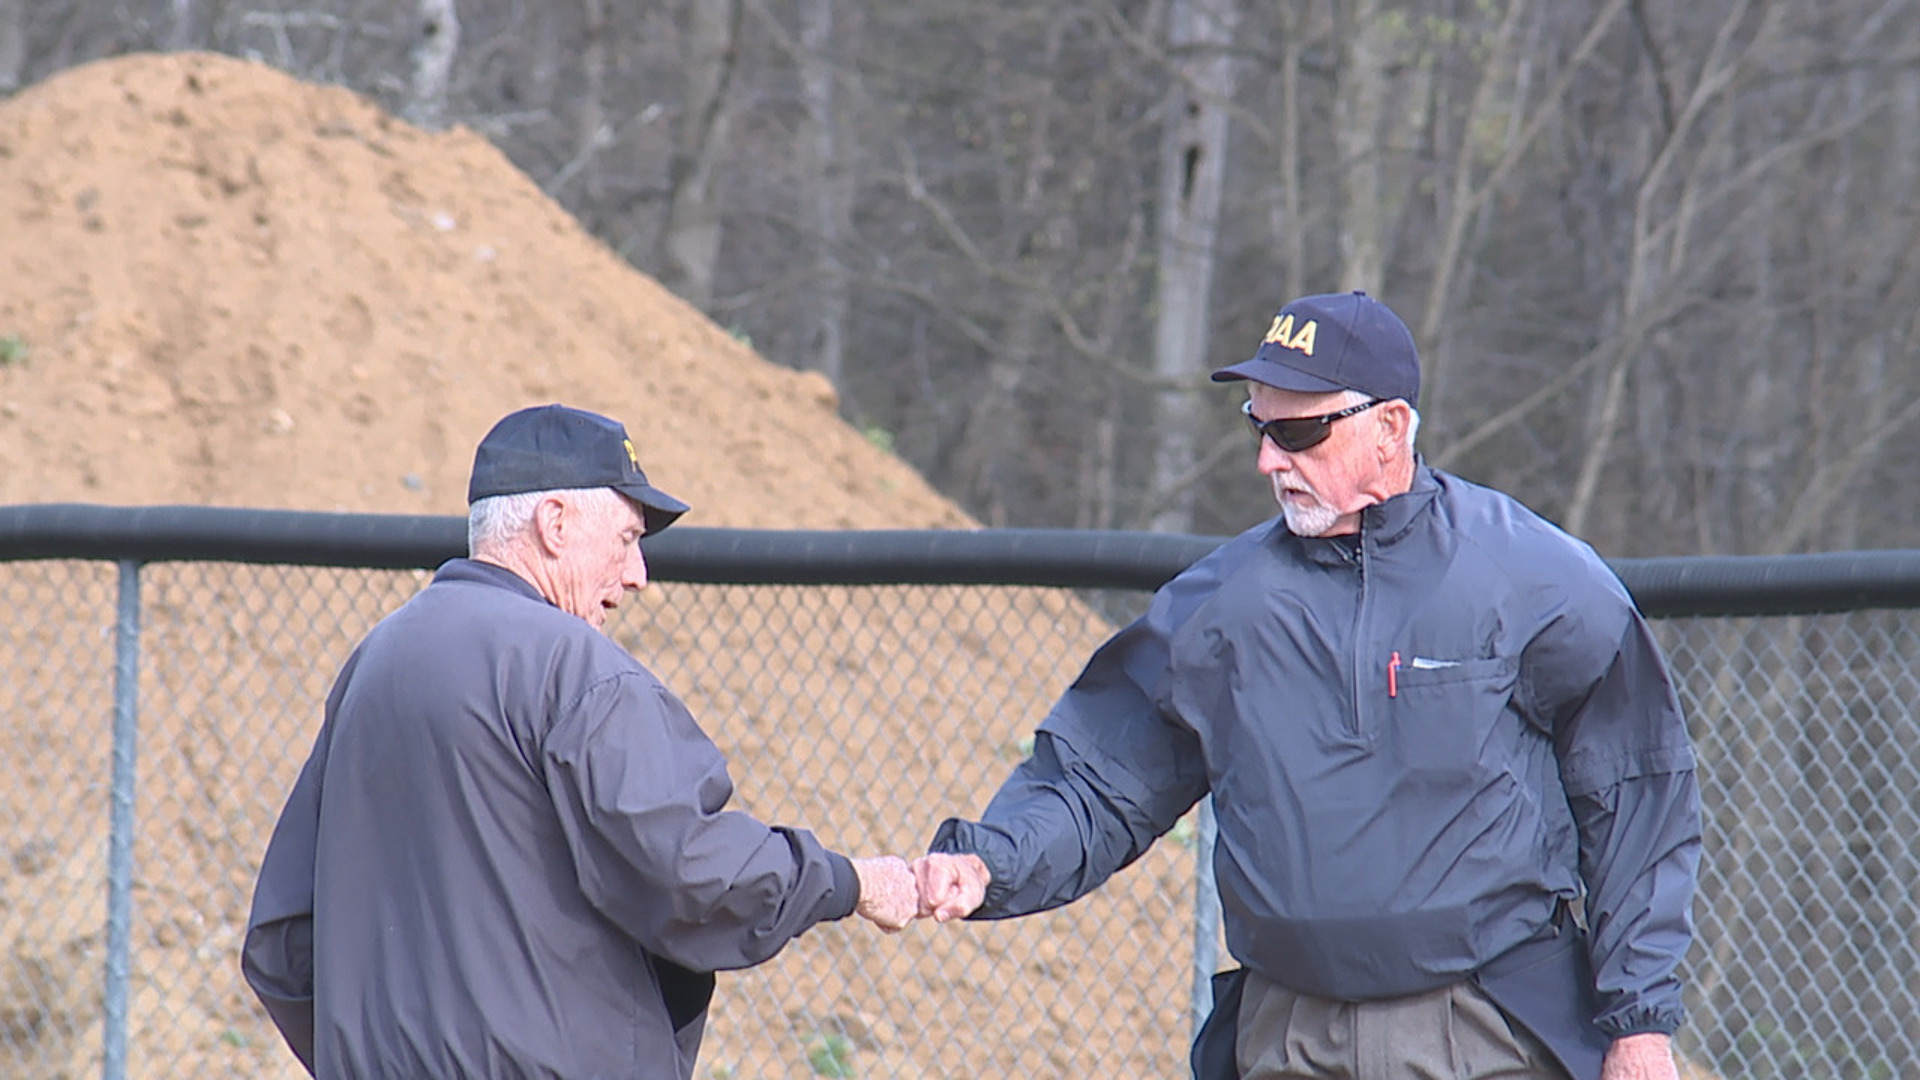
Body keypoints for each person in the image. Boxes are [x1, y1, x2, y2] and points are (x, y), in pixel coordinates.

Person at [913, 291, 1702, 1080]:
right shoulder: (1221, 608)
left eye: (1298, 432)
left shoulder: (1537, 580)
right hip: (1288, 1038)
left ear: (1390, 426)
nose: (1269, 460)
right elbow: (1098, 781)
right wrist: (990, 865)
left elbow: (1636, 793)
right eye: (1258, 427)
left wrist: (1638, 1025)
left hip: (1488, 1031)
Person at [242, 403, 920, 1080]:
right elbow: (690, 872)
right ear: (555, 523)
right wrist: (847, 880)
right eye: (627, 537)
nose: (638, 573)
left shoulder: (377, 661)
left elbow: (282, 944)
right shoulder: (576, 672)